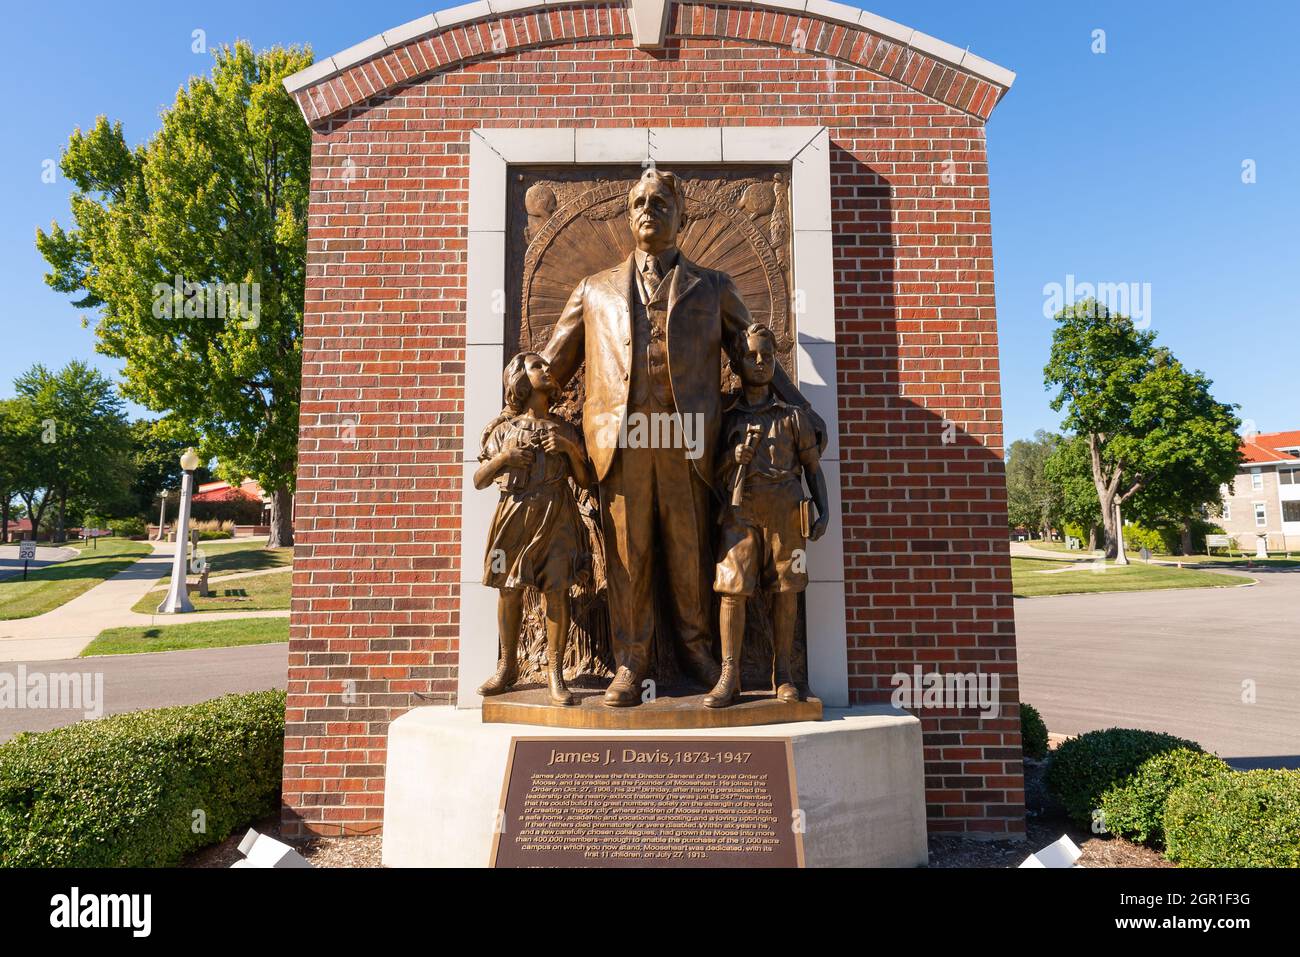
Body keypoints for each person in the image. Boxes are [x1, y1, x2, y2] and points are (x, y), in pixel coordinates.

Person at [541, 168, 824, 707]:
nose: (649, 210)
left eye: (661, 202)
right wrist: (520, 412)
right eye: (639, 203)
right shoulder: (593, 290)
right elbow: (552, 367)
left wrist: (802, 408)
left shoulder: (714, 287)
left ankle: (699, 652)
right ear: (628, 217)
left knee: (688, 551)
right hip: (621, 445)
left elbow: (755, 354)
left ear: (682, 217)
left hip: (688, 442)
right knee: (629, 556)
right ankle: (631, 660)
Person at [705, 323, 828, 709]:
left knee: (786, 589)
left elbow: (812, 467)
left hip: (786, 511)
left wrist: (824, 510)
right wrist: (731, 458)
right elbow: (704, 470)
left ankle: (785, 674)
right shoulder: (723, 415)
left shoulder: (793, 416)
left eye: (768, 356)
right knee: (731, 588)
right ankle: (730, 674)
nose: (761, 363)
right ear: (736, 364)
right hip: (740, 511)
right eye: (752, 356)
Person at [474, 352, 592, 706]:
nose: (546, 370)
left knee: (556, 591)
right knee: (508, 589)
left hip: (556, 514)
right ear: (520, 380)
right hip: (514, 514)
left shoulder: (564, 428)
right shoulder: (503, 431)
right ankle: (507, 665)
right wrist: (504, 459)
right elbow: (479, 479)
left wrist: (569, 449)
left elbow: (586, 479)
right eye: (537, 366)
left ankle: (555, 673)